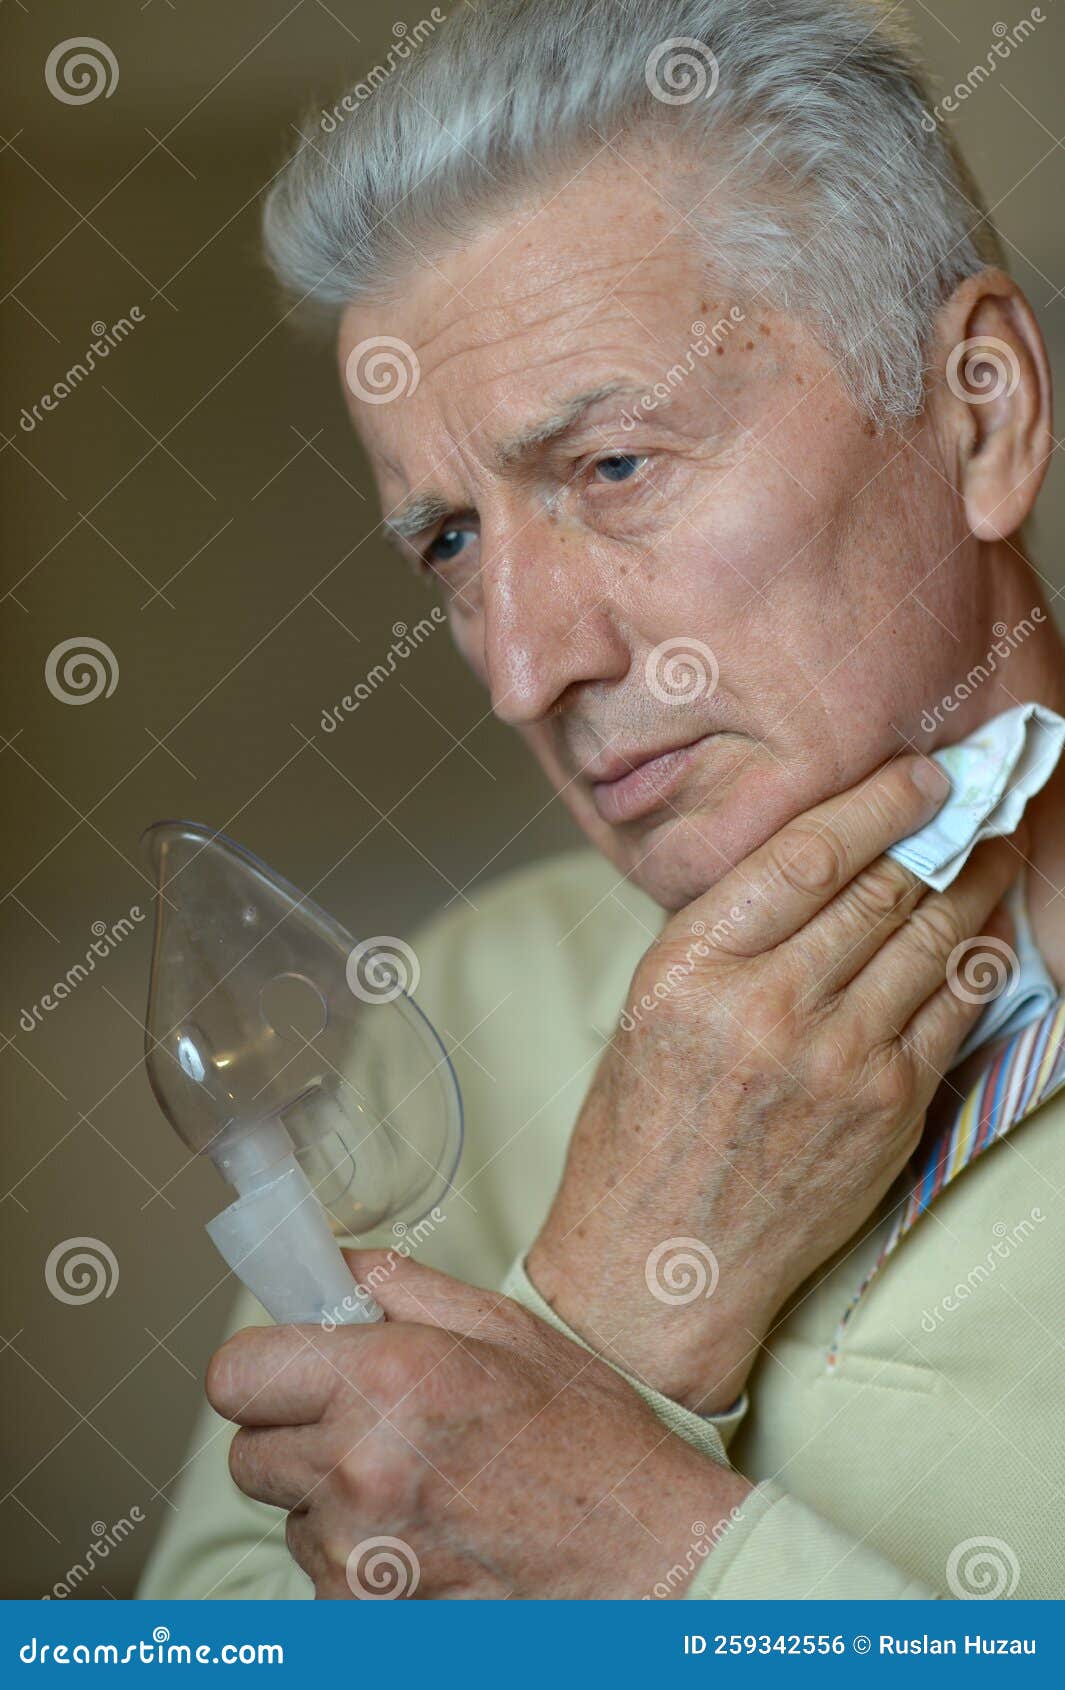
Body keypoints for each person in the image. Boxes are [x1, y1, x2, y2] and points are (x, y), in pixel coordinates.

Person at [139, 0, 1065, 1600]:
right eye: (448, 543)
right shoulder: (467, 994)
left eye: (613, 468)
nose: (519, 664)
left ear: (975, 411)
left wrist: (648, 1548)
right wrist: (620, 1308)